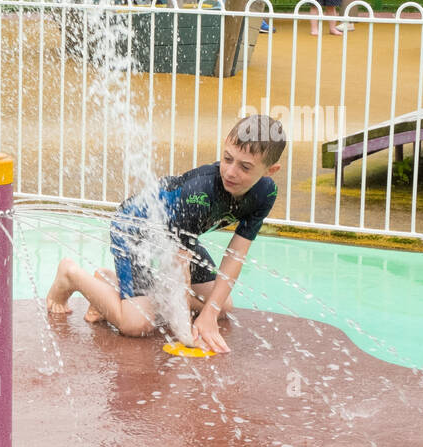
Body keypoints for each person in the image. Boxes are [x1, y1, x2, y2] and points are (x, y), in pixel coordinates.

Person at [45, 114, 287, 354]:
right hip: (135, 229)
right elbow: (178, 269)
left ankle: (111, 285)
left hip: (177, 238)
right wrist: (187, 335)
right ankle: (71, 275)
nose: (231, 172)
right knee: (137, 324)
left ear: (270, 170)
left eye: (245, 167)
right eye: (227, 158)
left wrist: (210, 314)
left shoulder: (265, 194)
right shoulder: (200, 192)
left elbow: (236, 253)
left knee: (222, 305)